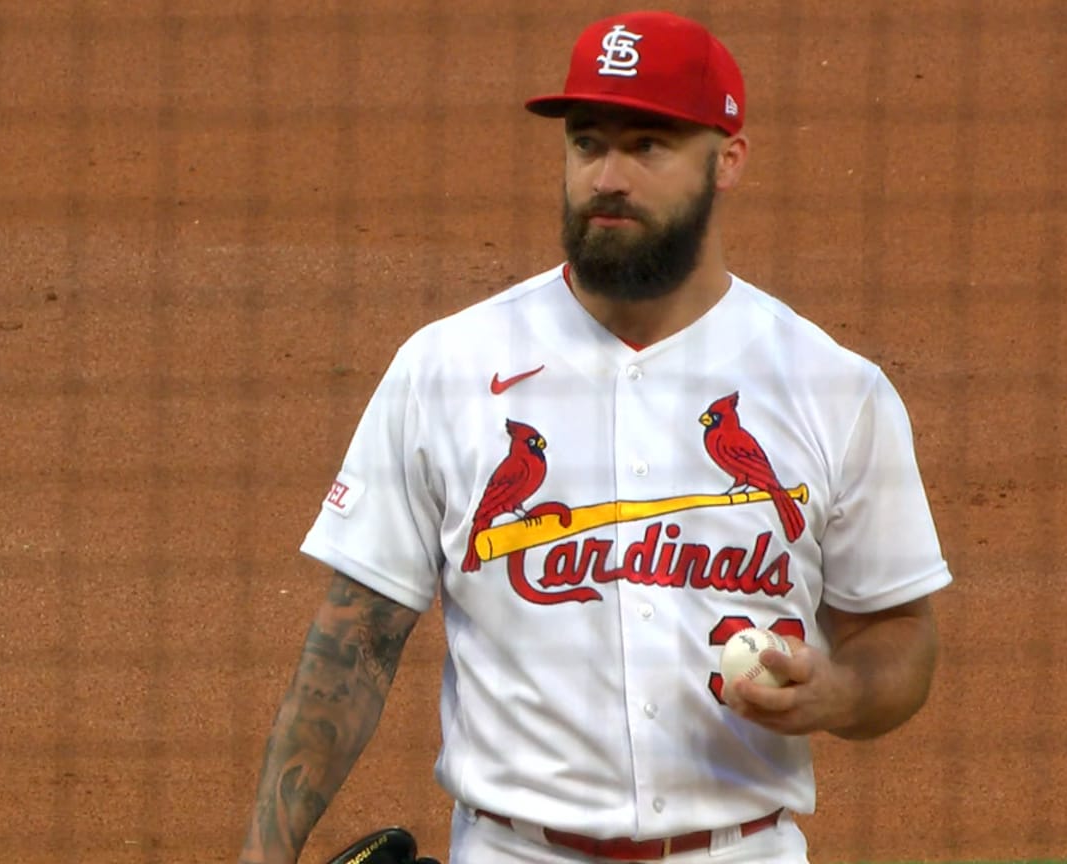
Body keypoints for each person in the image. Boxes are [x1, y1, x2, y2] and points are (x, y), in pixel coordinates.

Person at [238, 10, 952, 864]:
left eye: (648, 145)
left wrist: (839, 691)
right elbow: (353, 642)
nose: (608, 176)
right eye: (587, 144)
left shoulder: (832, 386)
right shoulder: (448, 367)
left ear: (728, 159)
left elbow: (899, 632)